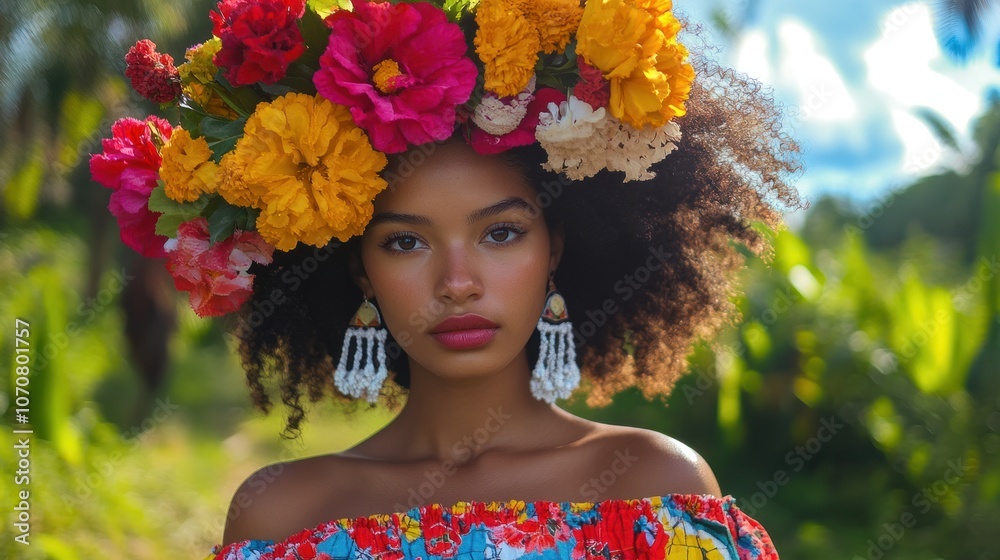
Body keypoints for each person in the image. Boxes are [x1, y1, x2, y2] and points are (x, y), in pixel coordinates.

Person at [89, 0, 805, 558]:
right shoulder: (283, 517)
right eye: (405, 242)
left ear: (555, 249)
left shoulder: (655, 492)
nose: (457, 282)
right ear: (360, 271)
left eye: (501, 233)